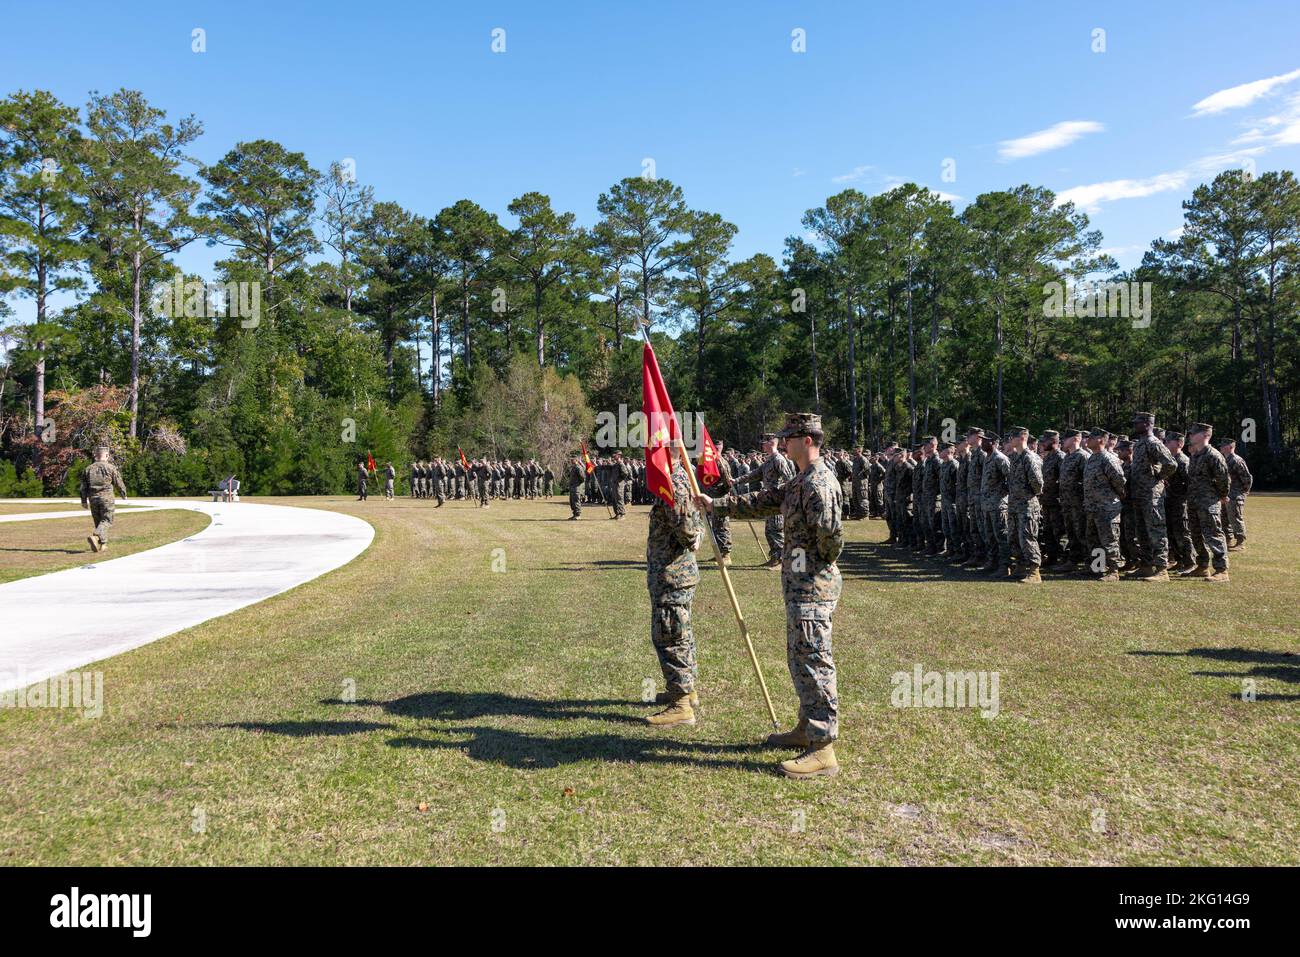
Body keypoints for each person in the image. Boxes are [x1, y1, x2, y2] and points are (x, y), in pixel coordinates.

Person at [696, 412, 843, 780]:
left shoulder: (819, 483)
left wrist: (809, 568)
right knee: (800, 657)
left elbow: (832, 542)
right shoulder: (799, 481)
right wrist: (717, 505)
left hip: (812, 587)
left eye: (790, 437)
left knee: (814, 661)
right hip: (799, 586)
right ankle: (806, 728)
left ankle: (823, 748)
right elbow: (765, 499)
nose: (784, 442)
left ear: (807, 439)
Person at [644, 456, 705, 728]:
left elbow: (689, 533)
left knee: (670, 635)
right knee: (681, 633)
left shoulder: (674, 483)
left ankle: (680, 704)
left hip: (673, 575)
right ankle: (686, 690)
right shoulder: (675, 479)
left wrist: (697, 536)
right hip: (674, 574)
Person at [1128, 412, 1178, 581]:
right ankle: (1146, 566)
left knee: (1156, 529)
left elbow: (1171, 464)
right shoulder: (1140, 443)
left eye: (1138, 422)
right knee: (1142, 532)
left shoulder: (1153, 442)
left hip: (1151, 494)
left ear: (1147, 424)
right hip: (1139, 493)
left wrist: (1158, 477)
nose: (1135, 425)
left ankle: (1162, 569)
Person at [1184, 424, 1231, 581]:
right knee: (1196, 535)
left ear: (1205, 435)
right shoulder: (1195, 455)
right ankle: (1202, 566)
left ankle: (1221, 570)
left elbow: (1224, 478)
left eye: (1193, 433)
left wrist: (1222, 495)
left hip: (1208, 503)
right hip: (1194, 502)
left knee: (1214, 534)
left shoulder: (1214, 455)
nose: (1190, 436)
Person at [1082, 429, 1126, 581]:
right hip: (1092, 507)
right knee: (1094, 540)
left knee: (1109, 540)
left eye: (1091, 438)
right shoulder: (1092, 458)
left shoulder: (1108, 459)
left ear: (1101, 440)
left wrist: (1113, 497)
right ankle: (1098, 568)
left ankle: (1113, 571)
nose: (1087, 440)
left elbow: (1119, 481)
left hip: (1107, 507)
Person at [1005, 427, 1044, 583]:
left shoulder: (1029, 457)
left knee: (1027, 537)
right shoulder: (1015, 457)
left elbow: (1038, 483)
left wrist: (1028, 495)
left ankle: (1034, 572)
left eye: (1012, 437)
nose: (1009, 441)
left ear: (1021, 438)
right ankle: (1020, 567)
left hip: (1027, 505)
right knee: (1013, 537)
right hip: (1014, 504)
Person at [80, 445, 129, 553]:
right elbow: (118, 482)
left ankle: (102, 545)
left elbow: (83, 487)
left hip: (93, 498)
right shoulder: (110, 467)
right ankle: (96, 535)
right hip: (107, 498)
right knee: (107, 520)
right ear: (107, 455)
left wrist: (83, 500)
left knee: (99, 522)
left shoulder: (88, 469)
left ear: (95, 455)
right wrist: (123, 494)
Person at [1218, 438, 1252, 551]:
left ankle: (1240, 542)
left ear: (1230, 447)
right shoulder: (1223, 459)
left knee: (1235, 518)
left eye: (1223, 445)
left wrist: (1243, 493)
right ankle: (1228, 540)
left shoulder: (1237, 460)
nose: (1221, 447)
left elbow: (1247, 478)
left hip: (1235, 494)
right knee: (1224, 518)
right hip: (1225, 494)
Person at [567, 455, 585, 520]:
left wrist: (577, 484)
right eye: (571, 459)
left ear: (576, 460)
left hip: (576, 487)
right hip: (572, 487)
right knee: (572, 501)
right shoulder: (573, 467)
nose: (571, 461)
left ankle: (578, 515)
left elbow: (582, 477)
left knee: (576, 501)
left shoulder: (578, 467)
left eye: (572, 459)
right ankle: (574, 514)